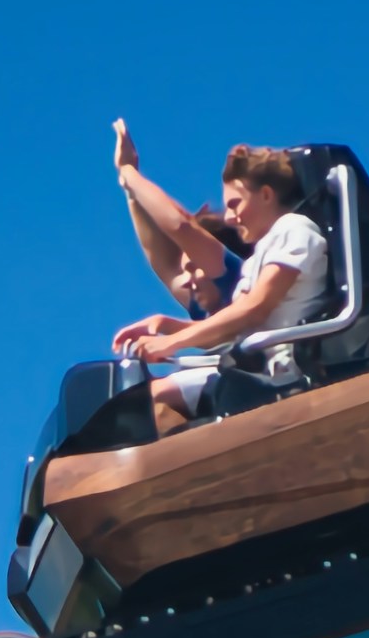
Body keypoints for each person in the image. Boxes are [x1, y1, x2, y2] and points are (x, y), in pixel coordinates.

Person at [106, 149, 335, 432]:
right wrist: (165, 326)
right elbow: (231, 329)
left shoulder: (294, 229)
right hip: (252, 370)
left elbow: (254, 309)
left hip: (282, 376)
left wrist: (171, 342)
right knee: (144, 405)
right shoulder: (260, 258)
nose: (229, 216)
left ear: (266, 195)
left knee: (149, 399)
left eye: (235, 204)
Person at [110, 121, 244, 321]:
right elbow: (160, 259)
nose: (186, 282)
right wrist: (130, 190)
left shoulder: (234, 277)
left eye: (193, 268)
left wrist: (128, 172)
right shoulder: (205, 306)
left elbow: (180, 225)